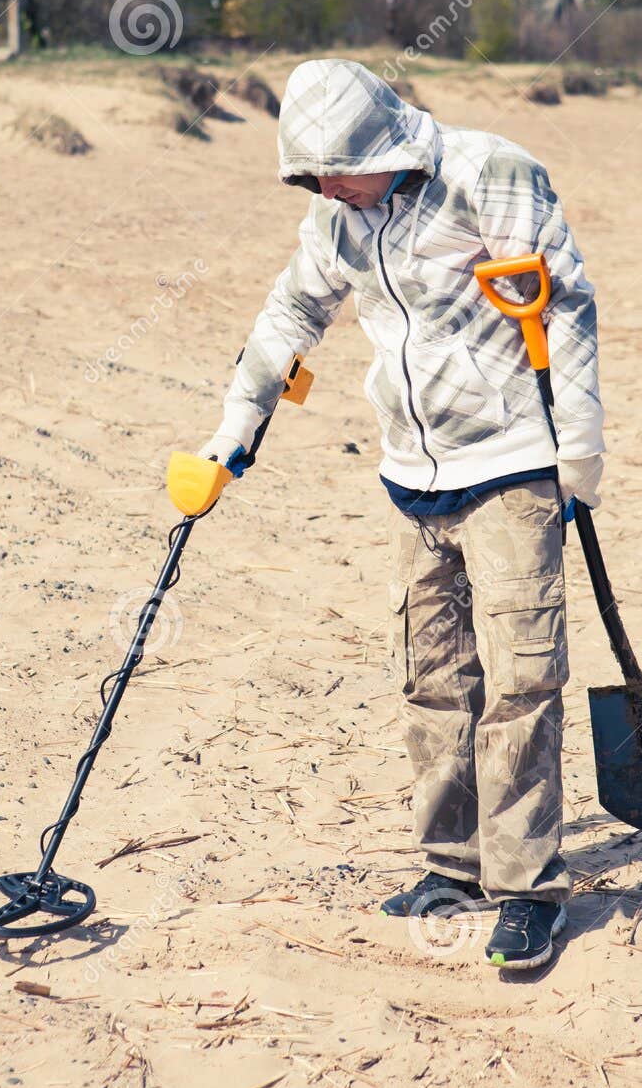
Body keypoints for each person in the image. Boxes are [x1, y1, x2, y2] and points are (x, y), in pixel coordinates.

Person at [200, 60, 604, 970]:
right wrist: (237, 419)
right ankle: (450, 867)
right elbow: (294, 306)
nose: (326, 189)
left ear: (385, 146)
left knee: (520, 683)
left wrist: (578, 445)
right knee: (433, 679)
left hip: (510, 464)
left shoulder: (489, 172)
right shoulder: (340, 214)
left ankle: (526, 889)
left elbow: (564, 300)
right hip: (409, 476)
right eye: (309, 177)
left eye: (337, 170)